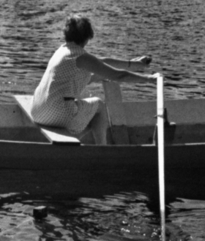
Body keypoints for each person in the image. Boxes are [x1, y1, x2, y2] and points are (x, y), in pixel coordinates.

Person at [30, 14, 157, 145]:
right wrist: (150, 79)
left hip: (37, 111)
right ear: (86, 37)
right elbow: (119, 75)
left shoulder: (62, 51)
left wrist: (133, 64)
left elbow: (102, 62)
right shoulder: (80, 56)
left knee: (91, 115)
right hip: (57, 115)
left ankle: (78, 146)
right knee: (99, 106)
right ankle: (102, 150)